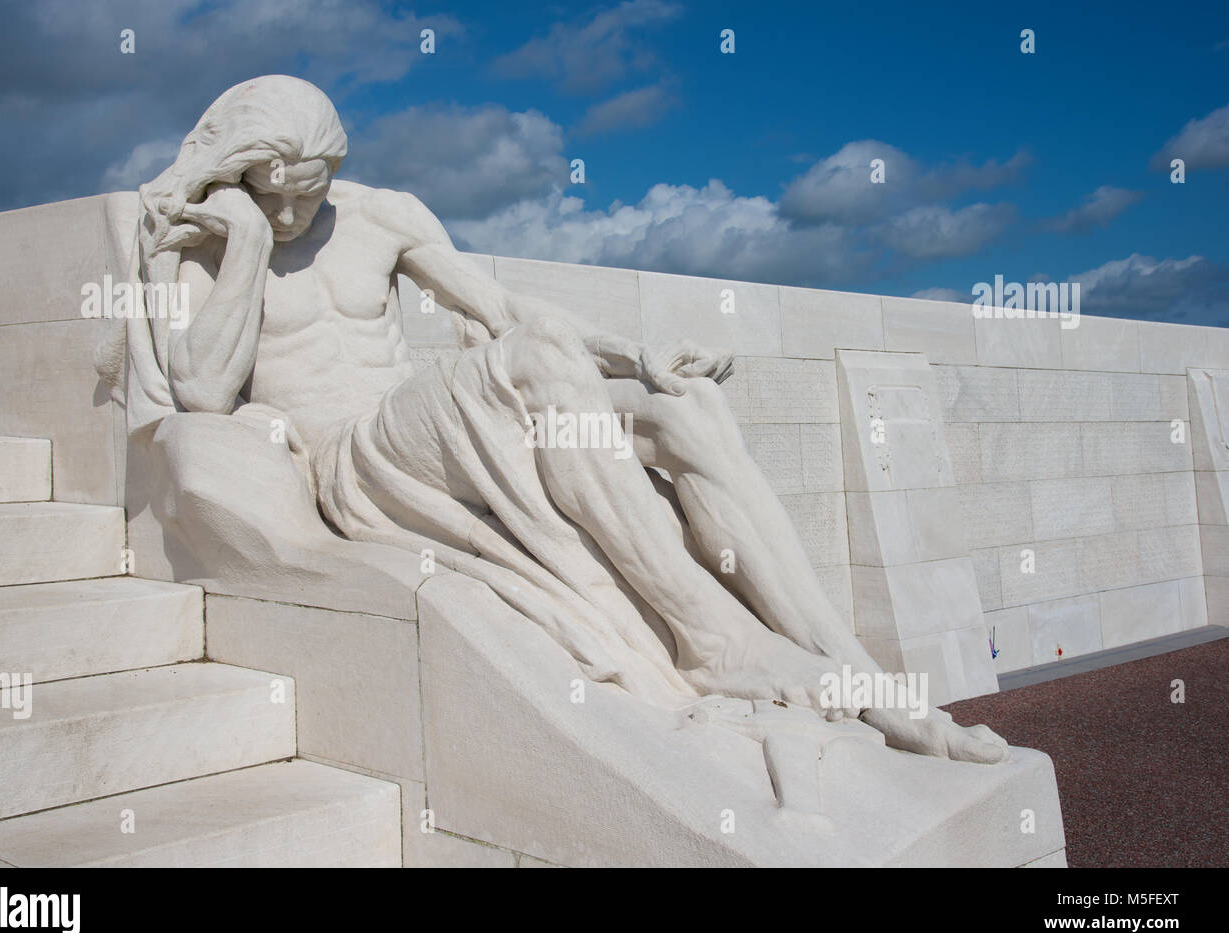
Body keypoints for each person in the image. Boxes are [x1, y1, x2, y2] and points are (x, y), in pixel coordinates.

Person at [105, 75, 1007, 764]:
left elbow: (502, 309)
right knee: (528, 367)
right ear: (235, 172)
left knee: (678, 406)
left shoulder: (384, 217)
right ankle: (714, 640)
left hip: (420, 426)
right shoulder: (208, 242)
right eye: (274, 192)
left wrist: (633, 355)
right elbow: (203, 393)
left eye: (310, 188)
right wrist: (250, 248)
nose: (296, 209)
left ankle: (845, 660)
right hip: (354, 461)